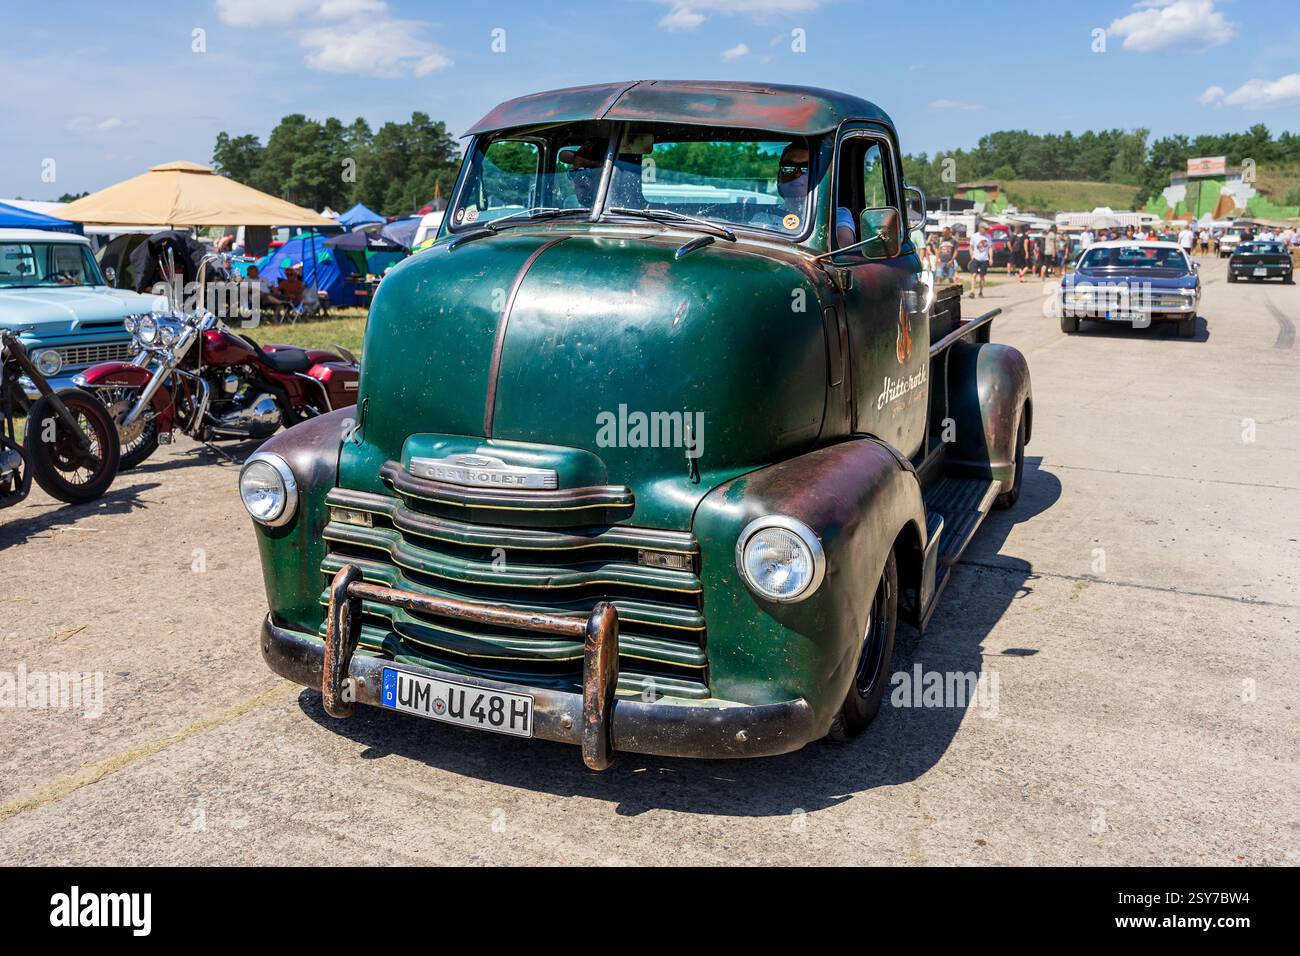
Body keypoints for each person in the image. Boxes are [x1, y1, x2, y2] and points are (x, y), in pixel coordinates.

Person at [968, 225, 991, 298]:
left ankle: (980, 292)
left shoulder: (988, 237)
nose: (986, 230)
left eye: (986, 229)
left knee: (982, 276)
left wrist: (991, 258)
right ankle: (972, 291)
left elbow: (990, 248)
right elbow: (970, 247)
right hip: (975, 258)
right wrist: (972, 256)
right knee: (974, 275)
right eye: (985, 228)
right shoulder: (974, 236)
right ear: (980, 228)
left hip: (984, 259)